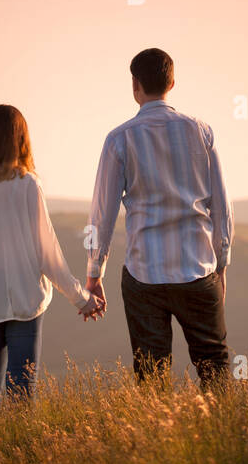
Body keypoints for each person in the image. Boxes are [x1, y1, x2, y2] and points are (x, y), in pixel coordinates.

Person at [85, 48, 233, 389]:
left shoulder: (119, 139)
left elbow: (101, 216)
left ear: (135, 85)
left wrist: (95, 272)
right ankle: (224, 434)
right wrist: (221, 264)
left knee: (151, 375)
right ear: (172, 82)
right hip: (198, 268)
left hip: (144, 274)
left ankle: (158, 437)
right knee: (214, 364)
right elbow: (221, 206)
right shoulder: (202, 132)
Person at [0, 103, 102, 417]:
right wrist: (81, 299)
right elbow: (47, 254)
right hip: (24, 301)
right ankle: (16, 460)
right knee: (21, 395)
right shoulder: (27, 186)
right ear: (21, 140)